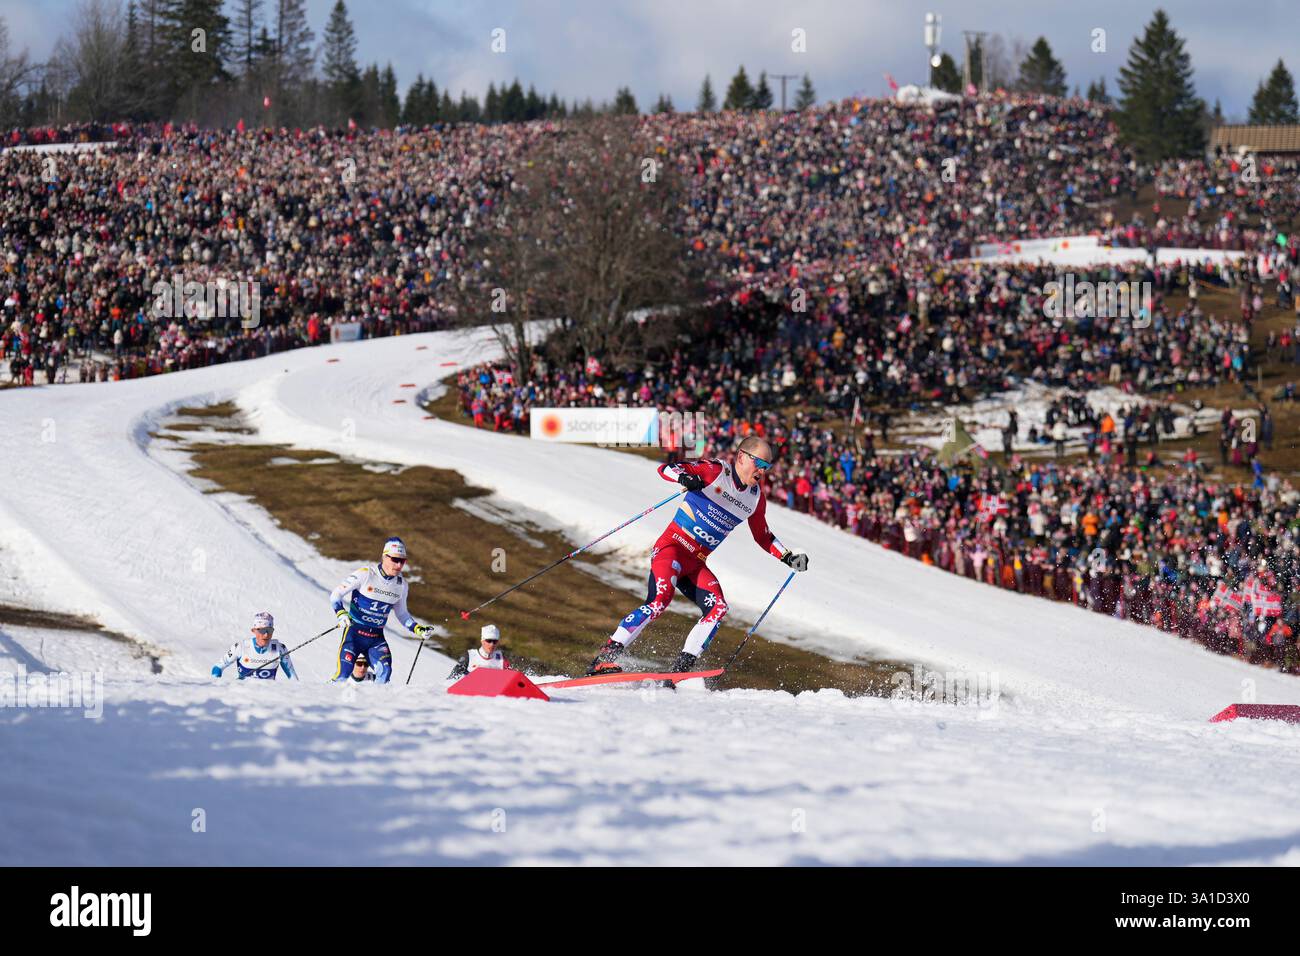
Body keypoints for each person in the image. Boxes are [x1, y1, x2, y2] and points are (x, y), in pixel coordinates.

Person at [586, 436, 808, 677]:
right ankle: (604, 659)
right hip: (672, 549)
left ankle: (681, 671)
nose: (762, 472)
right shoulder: (715, 471)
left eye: (768, 467)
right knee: (659, 601)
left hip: (695, 563)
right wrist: (684, 478)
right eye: (760, 464)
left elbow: (763, 536)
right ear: (742, 457)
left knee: (718, 608)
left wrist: (787, 557)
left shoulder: (754, 498)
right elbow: (666, 468)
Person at [329, 536, 437, 684]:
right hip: (354, 634)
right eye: (394, 559)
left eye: (402, 561)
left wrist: (417, 629)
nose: (399, 565)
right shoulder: (366, 574)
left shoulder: (401, 585)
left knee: (384, 673)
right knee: (343, 674)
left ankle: (376, 706)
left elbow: (402, 614)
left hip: (376, 638)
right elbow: (336, 594)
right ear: (384, 556)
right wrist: (341, 613)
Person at [211, 611, 298, 680]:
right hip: (244, 696)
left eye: (269, 630)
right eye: (262, 631)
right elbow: (218, 667)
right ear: (254, 630)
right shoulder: (241, 647)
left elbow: (293, 677)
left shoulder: (280, 649)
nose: (266, 635)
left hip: (267, 697)